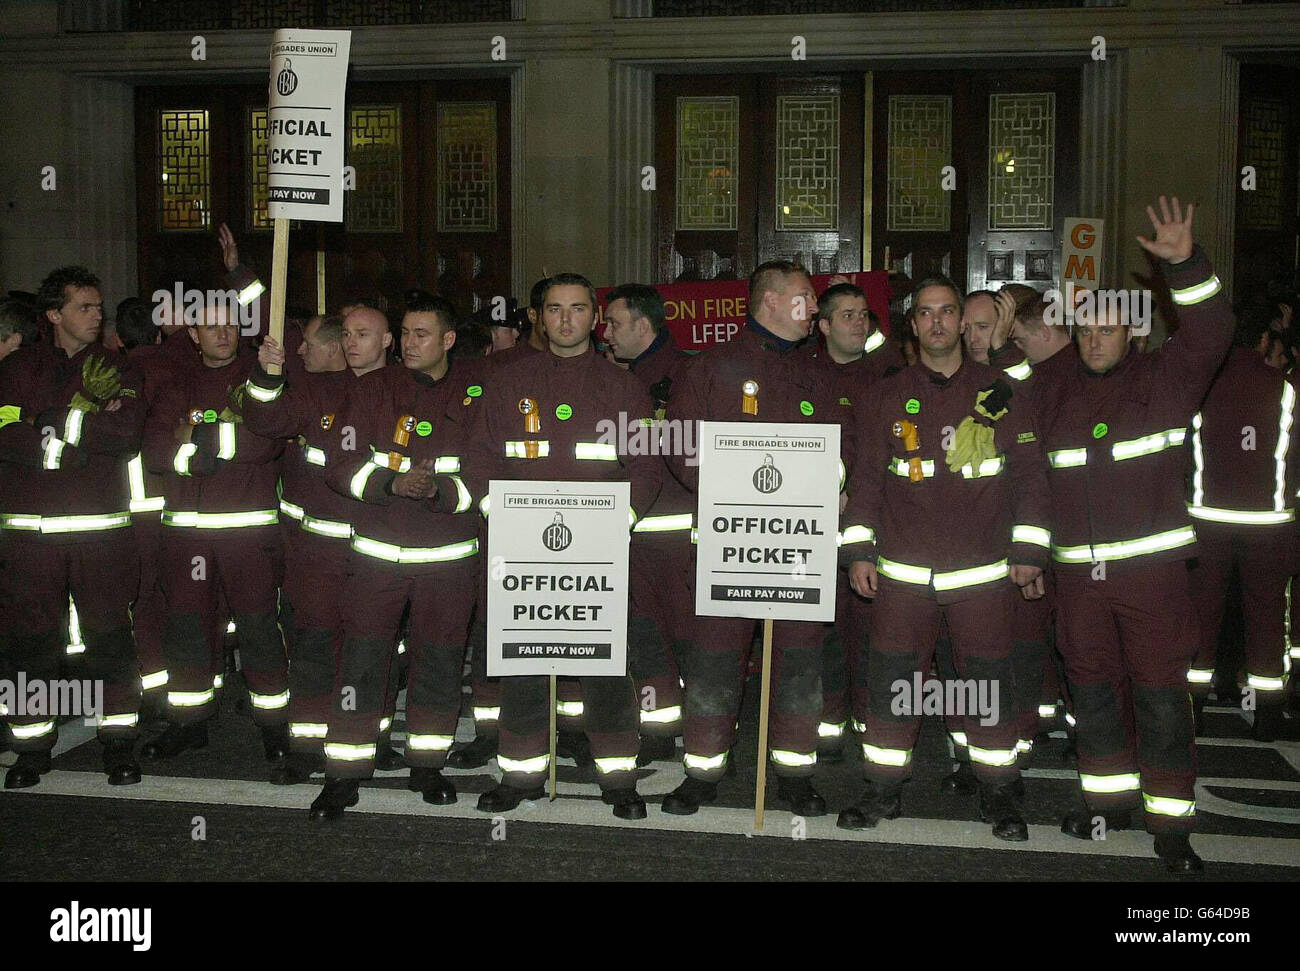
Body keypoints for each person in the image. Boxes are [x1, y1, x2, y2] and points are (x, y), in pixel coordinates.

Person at [989, 196, 1231, 873]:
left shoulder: (1167, 381)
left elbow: (1213, 331)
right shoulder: (1055, 389)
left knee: (1159, 699)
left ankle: (1171, 823)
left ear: (1135, 334)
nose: (1095, 338)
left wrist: (1185, 263)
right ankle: (1108, 802)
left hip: (1151, 582)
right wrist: (1008, 335)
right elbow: (1000, 403)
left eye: (1109, 328)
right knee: (1092, 694)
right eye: (1085, 329)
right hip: (1079, 585)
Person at [837, 273, 1050, 841]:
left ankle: (1000, 791)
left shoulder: (1001, 389)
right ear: (913, 325)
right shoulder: (884, 394)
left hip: (983, 573)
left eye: (947, 312)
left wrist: (1030, 547)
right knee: (890, 683)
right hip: (902, 574)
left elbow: (1030, 474)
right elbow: (865, 483)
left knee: (987, 684)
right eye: (925, 313)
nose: (937, 322)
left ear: (961, 321)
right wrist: (857, 550)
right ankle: (882, 788)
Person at [463, 273, 660, 819]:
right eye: (554, 309)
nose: (565, 320)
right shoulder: (505, 383)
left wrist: (618, 520)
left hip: (596, 552)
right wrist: (494, 514)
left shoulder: (622, 386)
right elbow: (478, 458)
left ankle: (618, 778)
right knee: (523, 665)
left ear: (594, 317)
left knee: (605, 667)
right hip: (522, 549)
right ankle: (521, 774)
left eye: (577, 309)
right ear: (538, 317)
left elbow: (646, 466)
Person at [661, 260, 853, 817]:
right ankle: (703, 773)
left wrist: (835, 490)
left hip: (801, 546)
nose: (814, 309)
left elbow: (850, 451)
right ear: (769, 301)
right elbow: (680, 445)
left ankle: (795, 775)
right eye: (804, 298)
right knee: (715, 663)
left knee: (798, 665)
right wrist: (735, 497)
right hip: (731, 544)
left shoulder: (822, 374)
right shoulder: (711, 368)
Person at [306, 294, 479, 818]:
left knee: (440, 664)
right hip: (379, 556)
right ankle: (343, 773)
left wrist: (440, 491)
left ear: (448, 340)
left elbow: (495, 468)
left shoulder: (477, 394)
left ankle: (426, 766)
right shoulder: (372, 390)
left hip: (449, 557)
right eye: (404, 333)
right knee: (360, 665)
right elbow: (340, 463)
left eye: (421, 334)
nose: (408, 343)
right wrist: (391, 483)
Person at [0, 266, 145, 789]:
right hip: (30, 537)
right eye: (84, 307)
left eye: (98, 307)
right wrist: (66, 448)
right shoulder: (18, 367)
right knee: (29, 643)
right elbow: (5, 427)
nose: (96, 315)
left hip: (100, 533)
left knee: (110, 639)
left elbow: (126, 430)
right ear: (54, 314)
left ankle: (119, 743)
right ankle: (32, 747)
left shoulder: (115, 364)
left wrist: (54, 422)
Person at [140, 297, 288, 774]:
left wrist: (196, 440)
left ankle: (274, 727)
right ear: (193, 335)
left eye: (230, 326)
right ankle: (189, 723)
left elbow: (265, 441)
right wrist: (220, 442)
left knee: (260, 629)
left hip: (249, 533)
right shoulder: (175, 385)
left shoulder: (260, 377)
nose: (222, 334)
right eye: (211, 327)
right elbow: (154, 452)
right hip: (186, 536)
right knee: (186, 629)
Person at [244, 311, 386, 785]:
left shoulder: (401, 392)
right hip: (317, 554)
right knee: (312, 648)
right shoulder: (316, 392)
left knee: (370, 652)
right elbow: (264, 418)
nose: (349, 343)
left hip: (377, 550)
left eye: (359, 335)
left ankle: (373, 739)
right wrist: (267, 373)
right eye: (344, 335)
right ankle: (305, 746)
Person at [1185, 311, 1299, 742]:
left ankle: (1192, 705)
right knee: (1268, 616)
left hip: (1207, 518)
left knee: (1201, 614)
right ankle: (1267, 712)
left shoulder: (1201, 387)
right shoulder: (1284, 390)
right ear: (1265, 340)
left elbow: (1180, 450)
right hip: (1269, 523)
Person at [605, 282, 693, 761]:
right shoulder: (620, 379)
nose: (607, 333)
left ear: (643, 325)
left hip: (678, 536)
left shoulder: (685, 376)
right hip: (632, 533)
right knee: (644, 638)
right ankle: (659, 733)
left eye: (615, 323)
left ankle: (708, 737)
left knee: (692, 643)